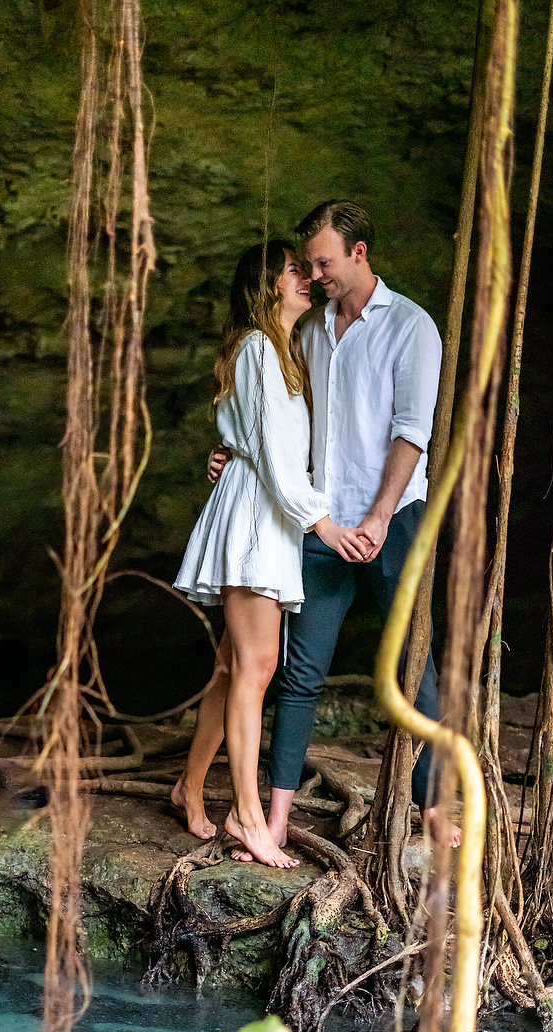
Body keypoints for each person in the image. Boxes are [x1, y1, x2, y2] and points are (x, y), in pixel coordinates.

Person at [209, 199, 459, 854]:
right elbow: (274, 420)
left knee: (414, 663)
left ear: (358, 253)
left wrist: (377, 518)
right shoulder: (309, 334)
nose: (316, 273)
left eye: (323, 261)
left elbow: (413, 432)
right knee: (299, 672)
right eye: (309, 264)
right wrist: (230, 453)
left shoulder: (411, 328)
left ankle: (434, 811)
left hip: (393, 518)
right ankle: (275, 816)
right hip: (323, 525)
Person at [172, 239, 370, 867]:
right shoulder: (261, 349)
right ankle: (248, 815)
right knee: (257, 672)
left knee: (234, 669)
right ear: (267, 284)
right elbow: (278, 459)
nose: (306, 279)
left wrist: (231, 454)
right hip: (259, 522)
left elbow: (262, 442)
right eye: (293, 271)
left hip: (263, 512)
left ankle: (189, 788)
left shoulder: (281, 352)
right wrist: (328, 526)